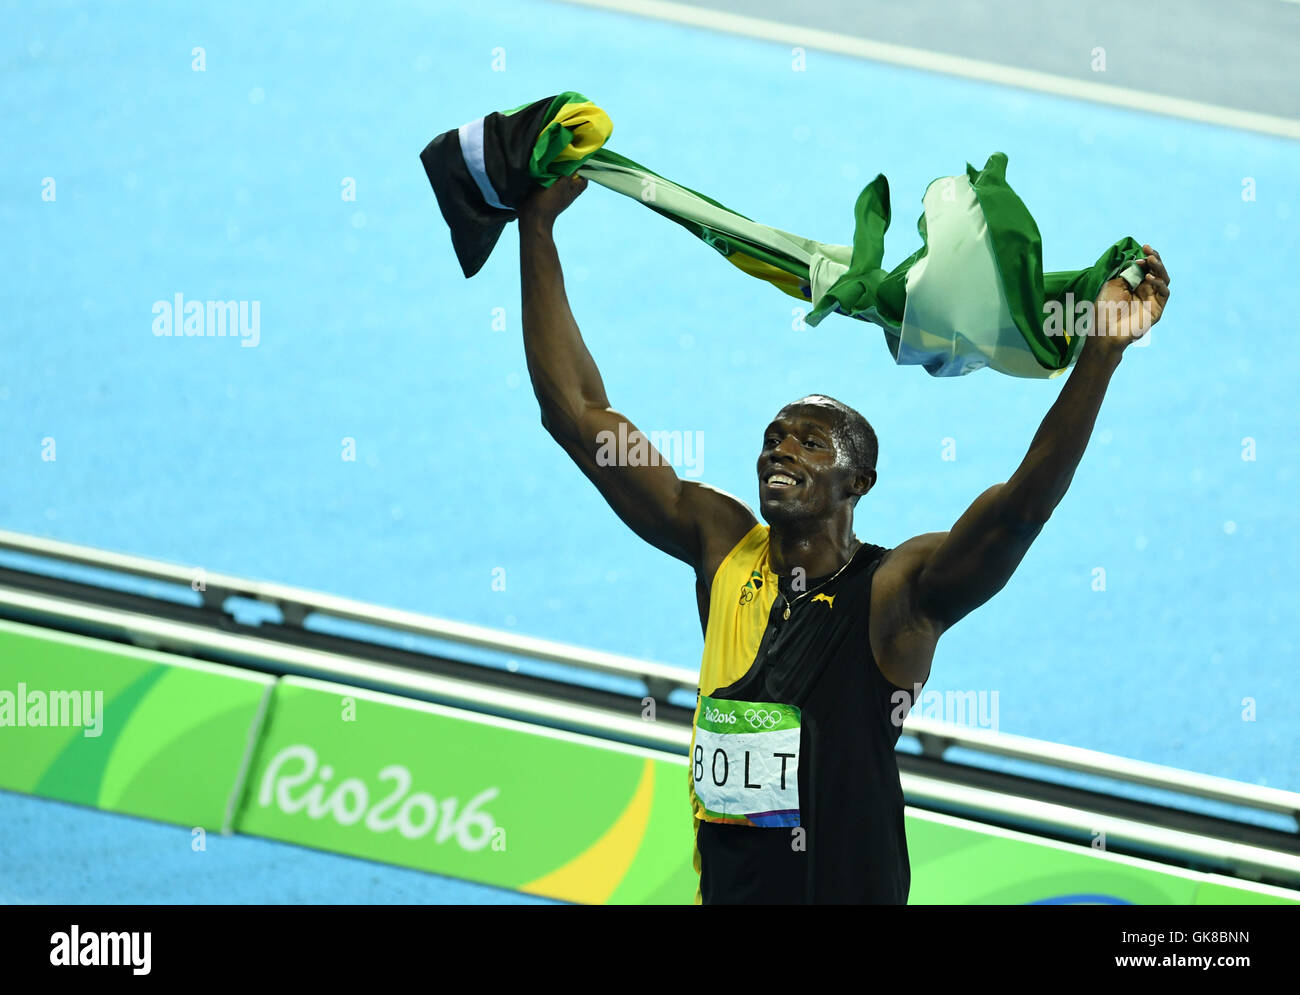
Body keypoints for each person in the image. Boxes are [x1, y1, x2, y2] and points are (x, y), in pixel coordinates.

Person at [517, 173, 1171, 904]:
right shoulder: (722, 547)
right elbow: (577, 414)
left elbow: (1020, 511)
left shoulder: (897, 594)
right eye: (774, 438)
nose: (781, 451)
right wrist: (535, 228)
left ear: (860, 483)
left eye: (812, 443)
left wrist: (1101, 357)